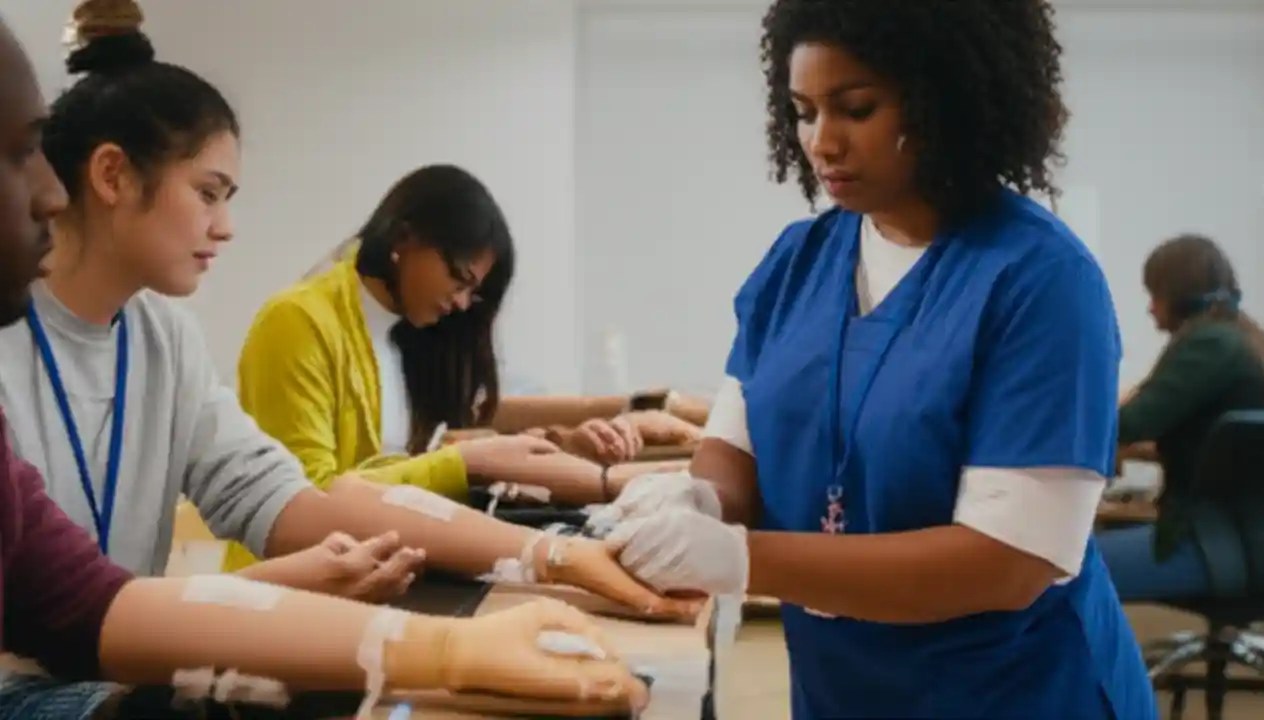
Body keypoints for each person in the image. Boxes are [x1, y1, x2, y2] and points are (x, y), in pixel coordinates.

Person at [0, 13, 647, 719]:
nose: (226, 227)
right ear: (113, 176)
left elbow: (292, 498)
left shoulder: (164, 339)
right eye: (209, 193)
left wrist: (549, 557)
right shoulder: (294, 318)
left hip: (107, 652)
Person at [592, 2, 1157, 718]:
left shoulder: (1041, 281)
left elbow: (1007, 562)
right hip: (847, 689)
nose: (822, 142)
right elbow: (736, 449)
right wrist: (697, 501)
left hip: (1013, 692)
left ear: (942, 101)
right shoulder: (796, 265)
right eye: (802, 112)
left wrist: (741, 557)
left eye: (856, 108)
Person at [229, 166, 701, 570]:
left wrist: (597, 424)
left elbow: (462, 420)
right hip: (299, 587)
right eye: (458, 280)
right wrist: (465, 464)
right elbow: (308, 502)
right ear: (403, 237)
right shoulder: (298, 322)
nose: (459, 303)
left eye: (471, 292)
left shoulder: (405, 332)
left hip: (381, 569)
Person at [1097, 234, 1264, 601]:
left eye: (1154, 294)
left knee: (1060, 572)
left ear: (1176, 294)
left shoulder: (1210, 344)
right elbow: (1210, 444)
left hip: (1216, 544)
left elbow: (1130, 423)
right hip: (1250, 539)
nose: (1150, 308)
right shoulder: (1247, 342)